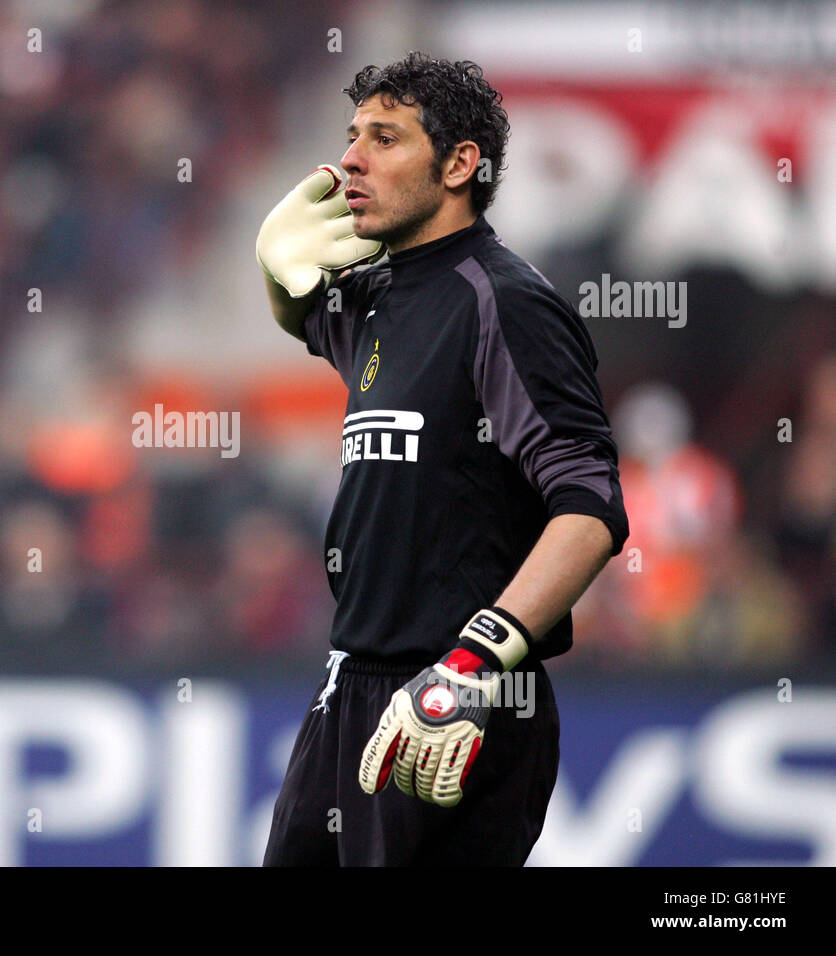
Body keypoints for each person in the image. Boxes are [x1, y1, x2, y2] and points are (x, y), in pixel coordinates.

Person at [256, 53, 629, 866]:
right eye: (352, 136)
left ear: (460, 164)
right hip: (349, 690)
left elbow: (591, 507)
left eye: (384, 139)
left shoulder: (506, 302)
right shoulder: (382, 296)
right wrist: (279, 278)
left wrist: (473, 663)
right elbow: (311, 319)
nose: (351, 158)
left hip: (458, 699)